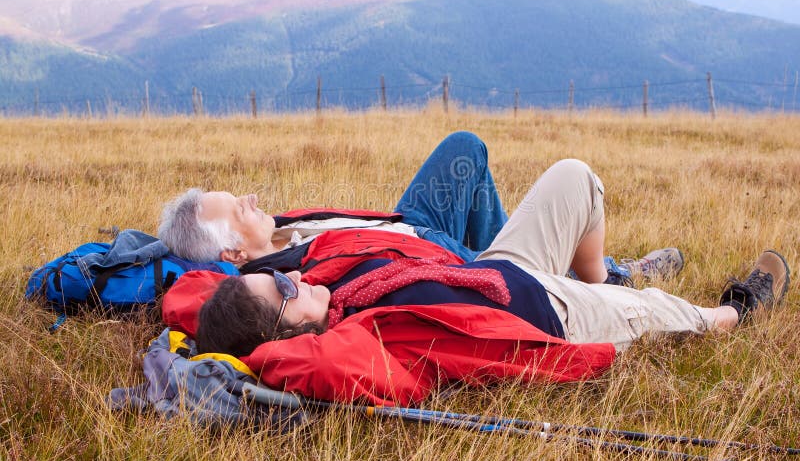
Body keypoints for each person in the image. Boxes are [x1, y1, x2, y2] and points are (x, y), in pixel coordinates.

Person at [193, 157, 790, 359]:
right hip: (549, 311)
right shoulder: (355, 344)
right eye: (286, 291)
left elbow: (202, 291)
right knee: (658, 310)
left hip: (497, 267)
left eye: (284, 277)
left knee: (575, 176)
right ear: (288, 336)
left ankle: (610, 274)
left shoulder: (331, 290)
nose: (294, 277)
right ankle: (737, 311)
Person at [158, 132, 681, 285]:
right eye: (239, 208)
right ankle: (610, 278)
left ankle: (535, 264)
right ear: (232, 250)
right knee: (575, 179)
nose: (250, 198)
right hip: (438, 262)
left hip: (412, 225)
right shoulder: (288, 281)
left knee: (464, 148)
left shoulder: (284, 231)